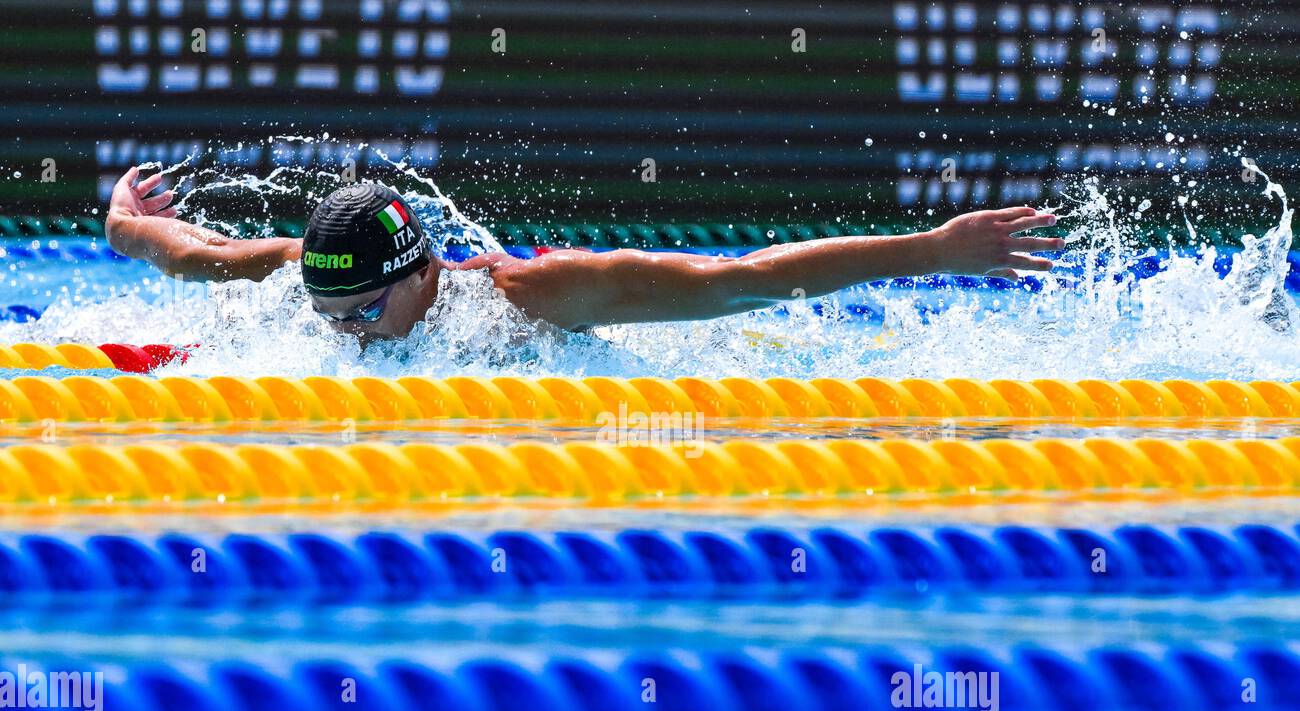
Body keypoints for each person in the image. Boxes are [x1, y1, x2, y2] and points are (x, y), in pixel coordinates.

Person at [105, 166, 1064, 342]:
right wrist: (123, 221)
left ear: (422, 272)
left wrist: (930, 248)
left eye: (363, 316)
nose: (349, 336)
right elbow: (192, 253)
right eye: (332, 319)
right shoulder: (319, 276)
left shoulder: (530, 296)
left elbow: (745, 280)